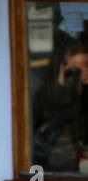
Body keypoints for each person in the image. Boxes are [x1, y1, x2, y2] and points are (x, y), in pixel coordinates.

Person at [31, 41, 88, 173]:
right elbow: (43, 120)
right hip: (54, 162)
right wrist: (60, 89)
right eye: (73, 68)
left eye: (85, 66)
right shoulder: (49, 93)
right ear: (63, 68)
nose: (78, 73)